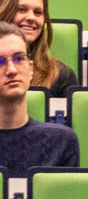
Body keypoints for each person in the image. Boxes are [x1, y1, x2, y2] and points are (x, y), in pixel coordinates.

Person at [0, 19, 76, 170]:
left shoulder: (61, 141)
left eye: (19, 59)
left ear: (30, 69)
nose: (12, 70)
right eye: (0, 61)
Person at [0, 0, 78, 97]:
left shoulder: (61, 75)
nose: (31, 17)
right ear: (4, 12)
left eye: (38, 12)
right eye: (22, 10)